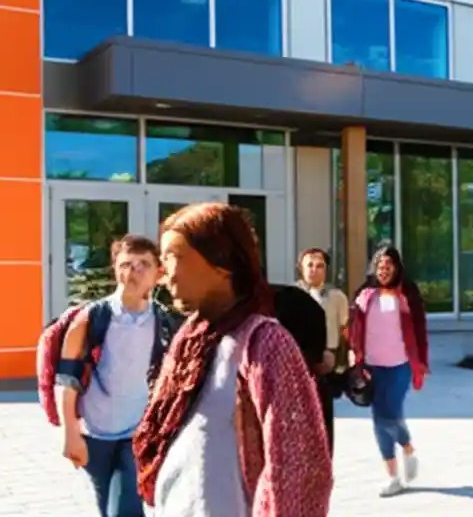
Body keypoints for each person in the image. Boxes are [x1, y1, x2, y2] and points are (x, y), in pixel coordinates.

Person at [133, 203, 332, 517]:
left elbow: (298, 465)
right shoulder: (189, 339)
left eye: (174, 256)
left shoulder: (264, 343)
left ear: (222, 264)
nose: (163, 272)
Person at [56, 235, 172, 517]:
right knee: (107, 507)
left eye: (144, 264)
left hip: (137, 432)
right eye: (126, 264)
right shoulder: (91, 318)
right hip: (96, 432)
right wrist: (70, 433)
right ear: (115, 270)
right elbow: (67, 379)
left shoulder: (165, 322)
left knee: (126, 509)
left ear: (158, 273)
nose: (134, 271)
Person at [348, 244, 429, 498]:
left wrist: (422, 363)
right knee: (381, 418)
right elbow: (353, 329)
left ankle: (404, 453)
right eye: (379, 266)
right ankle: (395, 473)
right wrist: (354, 357)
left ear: (397, 268)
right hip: (373, 367)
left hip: (400, 366)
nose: (383, 270)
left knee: (388, 415)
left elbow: (420, 331)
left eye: (388, 266)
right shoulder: (364, 295)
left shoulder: (408, 294)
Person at [298, 247, 350, 455]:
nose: (314, 269)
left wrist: (344, 361)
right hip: (300, 360)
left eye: (319, 266)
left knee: (324, 414)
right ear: (301, 268)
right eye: (309, 265)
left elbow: (344, 329)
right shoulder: (290, 296)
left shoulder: (337, 297)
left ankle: (325, 456)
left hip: (328, 360)